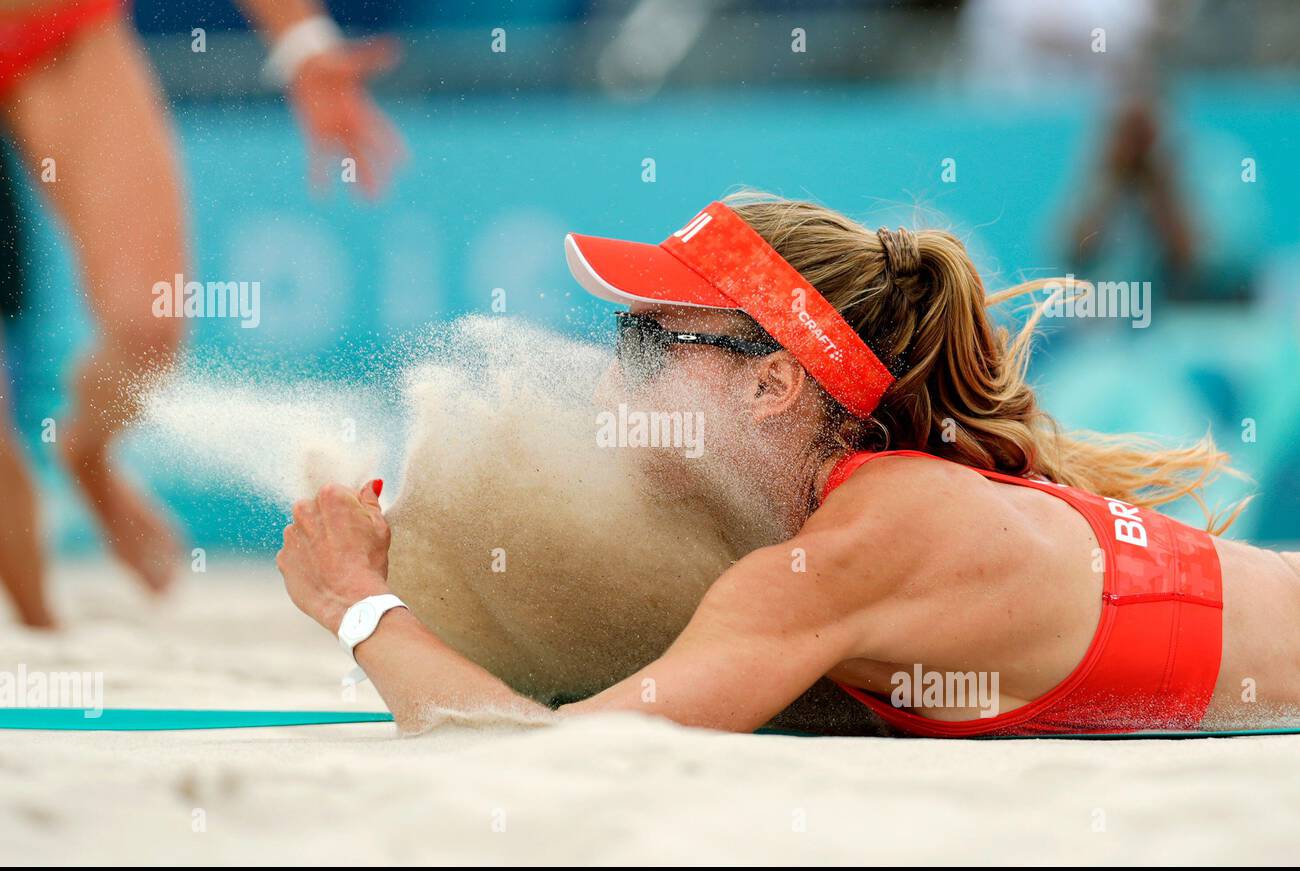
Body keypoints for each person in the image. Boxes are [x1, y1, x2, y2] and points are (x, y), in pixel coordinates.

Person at [275, 195, 1300, 737]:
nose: (605, 379)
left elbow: (552, 752)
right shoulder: (879, 513)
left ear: (771, 385)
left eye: (645, 344)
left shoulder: (851, 550)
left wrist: (359, 600)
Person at [0, 0, 403, 627]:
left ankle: (87, 457)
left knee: (147, 328)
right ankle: (38, 637)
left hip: (54, 26)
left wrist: (300, 40)